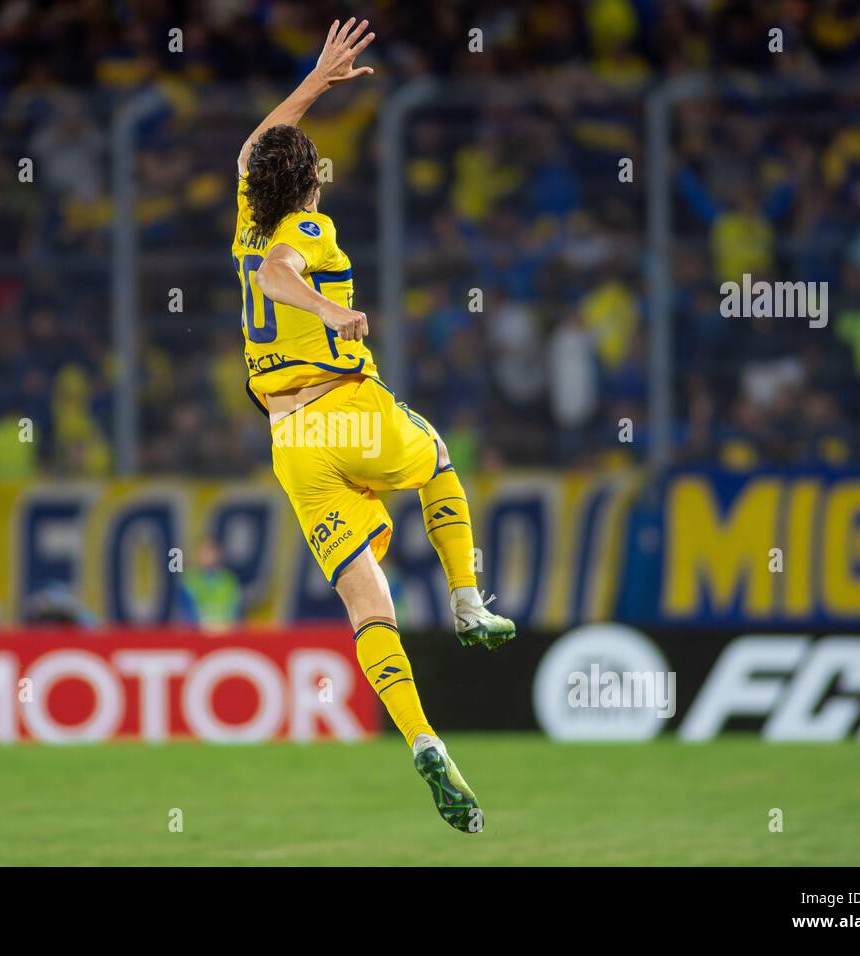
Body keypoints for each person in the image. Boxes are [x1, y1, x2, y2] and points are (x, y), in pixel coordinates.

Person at [232, 18, 514, 833]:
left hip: (292, 444)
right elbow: (284, 274)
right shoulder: (303, 229)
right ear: (312, 184)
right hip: (344, 407)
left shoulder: (248, 213)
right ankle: (467, 603)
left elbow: (259, 146)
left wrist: (318, 79)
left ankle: (424, 739)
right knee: (439, 462)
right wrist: (329, 307)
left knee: (369, 608)